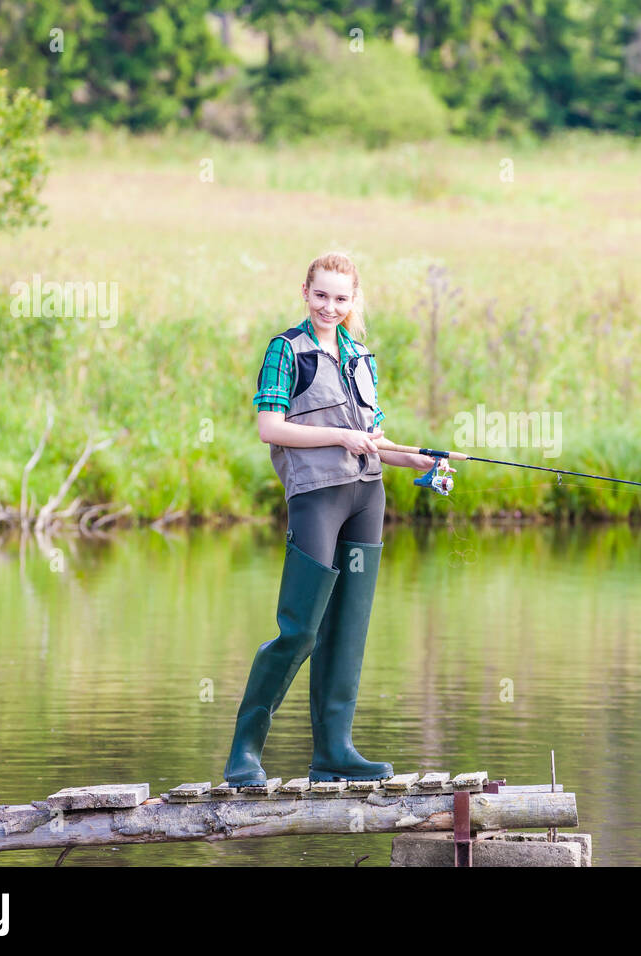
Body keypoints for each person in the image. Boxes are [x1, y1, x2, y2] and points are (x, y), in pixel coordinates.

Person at [222, 251, 448, 785]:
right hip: (317, 498)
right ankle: (244, 753)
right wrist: (341, 436)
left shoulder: (362, 357)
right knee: (299, 630)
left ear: (353, 301)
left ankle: (335, 752)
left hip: (367, 497)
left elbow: (371, 438)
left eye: (341, 298)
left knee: (348, 629)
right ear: (305, 292)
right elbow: (269, 428)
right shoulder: (286, 350)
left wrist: (412, 458)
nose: (330, 306)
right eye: (321, 295)